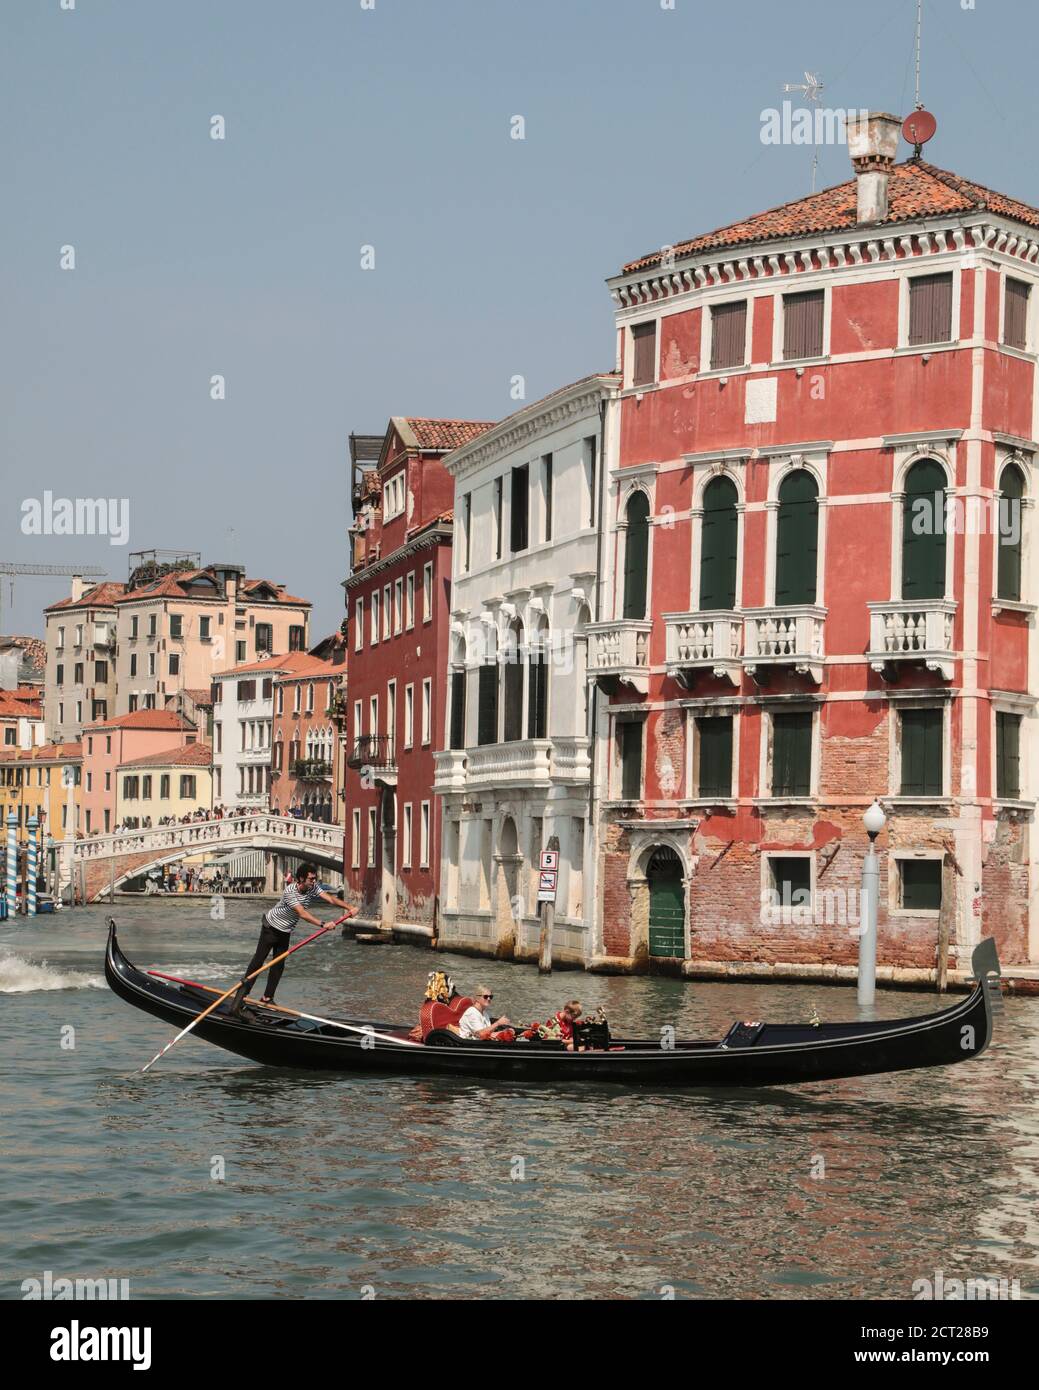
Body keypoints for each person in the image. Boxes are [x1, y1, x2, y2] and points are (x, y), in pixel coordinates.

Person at [228, 862, 356, 1015]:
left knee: (278, 965)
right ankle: (241, 996)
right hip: (270, 927)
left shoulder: (312, 888)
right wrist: (323, 924)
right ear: (301, 879)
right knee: (258, 961)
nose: (313, 881)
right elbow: (302, 913)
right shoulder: (290, 891)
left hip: (285, 931)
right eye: (310, 879)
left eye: (314, 878)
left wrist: (349, 908)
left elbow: (330, 899)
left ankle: (267, 998)